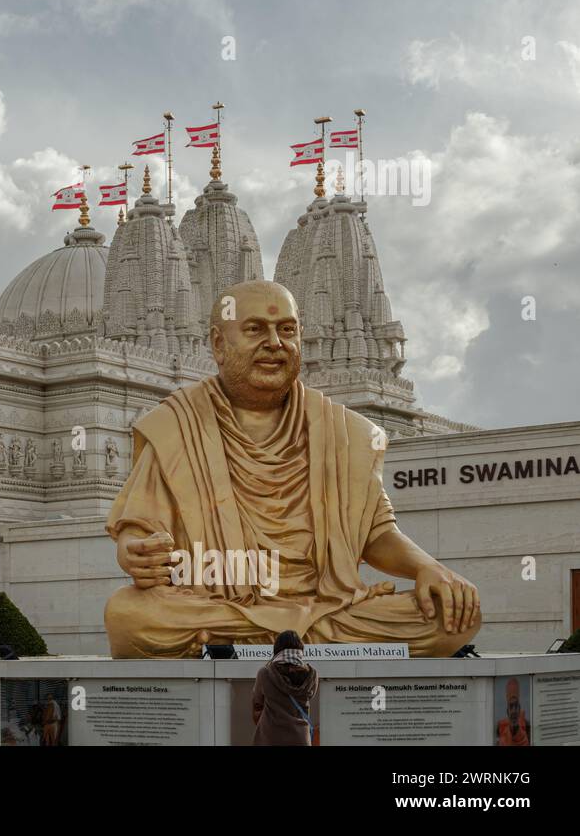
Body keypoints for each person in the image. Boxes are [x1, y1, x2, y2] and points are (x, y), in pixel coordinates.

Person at [104, 280, 481, 658]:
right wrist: (133, 551)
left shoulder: (344, 431)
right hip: (218, 603)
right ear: (218, 344)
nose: (274, 343)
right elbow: (139, 526)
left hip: (326, 606)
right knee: (128, 615)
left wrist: (427, 568)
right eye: (255, 330)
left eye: (286, 330)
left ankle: (241, 646)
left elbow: (376, 533)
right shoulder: (175, 425)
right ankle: (301, 644)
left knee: (455, 615)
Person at [252, 630, 318, 746]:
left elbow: (257, 705)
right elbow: (310, 696)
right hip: (300, 739)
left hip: (270, 738)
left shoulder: (265, 673)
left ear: (277, 650)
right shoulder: (312, 676)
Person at [495, 677, 530, 746]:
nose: (514, 711)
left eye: (516, 706)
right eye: (511, 706)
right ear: (508, 712)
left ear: (519, 710)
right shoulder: (502, 739)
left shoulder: (526, 735)